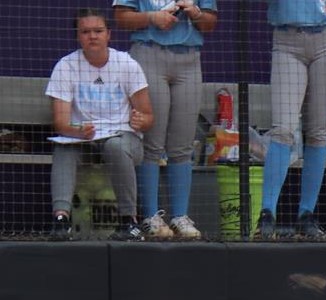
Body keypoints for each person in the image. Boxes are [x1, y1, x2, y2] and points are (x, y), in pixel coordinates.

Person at [257, 0, 326, 240]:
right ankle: (267, 213)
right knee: (283, 129)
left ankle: (306, 214)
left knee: (318, 131)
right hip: (287, 39)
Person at [112, 0, 217, 240]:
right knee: (151, 141)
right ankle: (150, 217)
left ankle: (180, 216)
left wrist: (196, 13)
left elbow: (210, 23)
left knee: (183, 143)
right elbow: (121, 17)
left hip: (189, 59)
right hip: (149, 54)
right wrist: (152, 17)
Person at [46, 9, 153, 241]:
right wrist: (78, 131)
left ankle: (129, 222)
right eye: (86, 32)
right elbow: (60, 122)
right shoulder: (65, 66)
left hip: (123, 137)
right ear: (78, 36)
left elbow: (147, 116)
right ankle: (61, 220)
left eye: (98, 31)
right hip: (84, 137)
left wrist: (140, 120)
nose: (92, 36)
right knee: (64, 148)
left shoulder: (127, 64)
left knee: (115, 146)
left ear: (109, 35)